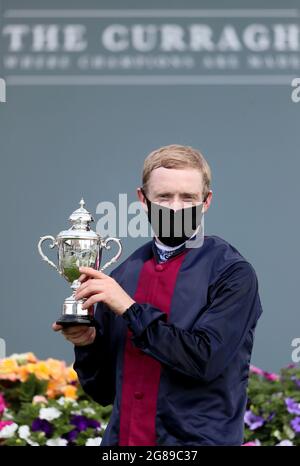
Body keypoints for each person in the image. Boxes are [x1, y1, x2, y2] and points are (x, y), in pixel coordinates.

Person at [53, 144, 263, 446]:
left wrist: (129, 309)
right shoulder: (123, 274)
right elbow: (101, 392)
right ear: (143, 200)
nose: (176, 208)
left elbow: (204, 361)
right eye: (164, 196)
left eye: (188, 197)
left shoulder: (232, 272)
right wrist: (88, 345)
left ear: (206, 202)